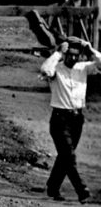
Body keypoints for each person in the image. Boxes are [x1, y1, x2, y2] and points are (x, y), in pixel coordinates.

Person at [40, 37, 101, 202]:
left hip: (77, 119)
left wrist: (89, 49)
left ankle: (52, 187)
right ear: (65, 55)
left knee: (65, 156)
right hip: (60, 119)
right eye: (70, 55)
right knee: (69, 157)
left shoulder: (83, 68)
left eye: (77, 55)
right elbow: (45, 70)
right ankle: (82, 191)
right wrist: (58, 53)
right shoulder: (56, 69)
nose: (73, 58)